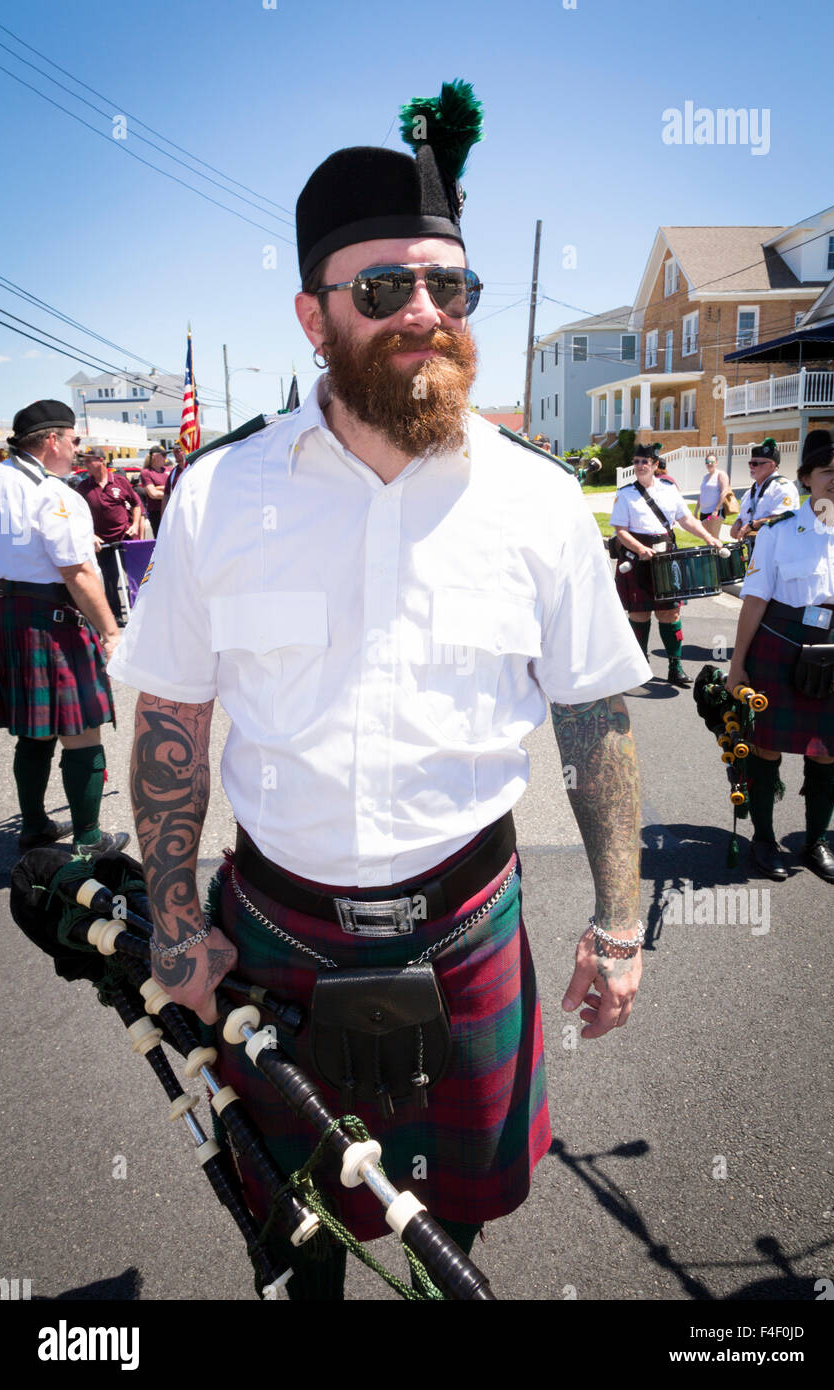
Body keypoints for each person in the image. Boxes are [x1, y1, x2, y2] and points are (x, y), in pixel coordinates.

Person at [108, 80, 652, 1300]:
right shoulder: (217, 495)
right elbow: (175, 721)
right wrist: (176, 916)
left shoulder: (534, 499)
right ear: (313, 313)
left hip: (467, 923)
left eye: (444, 287)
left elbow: (593, 714)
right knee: (293, 1231)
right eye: (382, 289)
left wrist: (619, 922)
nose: (422, 311)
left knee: (453, 1236)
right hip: (273, 929)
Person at [0, 400, 129, 856]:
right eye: (73, 440)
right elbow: (79, 572)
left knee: (33, 729)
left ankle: (33, 826)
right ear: (52, 440)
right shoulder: (54, 493)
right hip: (46, 621)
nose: (76, 448)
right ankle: (89, 839)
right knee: (82, 729)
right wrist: (111, 631)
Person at [726, 419, 834, 883]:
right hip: (779, 646)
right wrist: (737, 664)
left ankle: (816, 841)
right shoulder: (777, 531)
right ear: (806, 478)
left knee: (827, 752)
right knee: (766, 749)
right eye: (829, 472)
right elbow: (755, 599)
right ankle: (763, 837)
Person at [610, 445, 724, 687]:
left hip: (666, 557)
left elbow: (686, 519)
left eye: (644, 461)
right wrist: (639, 548)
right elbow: (620, 530)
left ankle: (676, 666)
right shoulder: (626, 493)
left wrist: (708, 537)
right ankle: (640, 665)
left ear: (654, 464)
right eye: (636, 460)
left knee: (670, 613)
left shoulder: (669, 490)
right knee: (639, 613)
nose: (639, 465)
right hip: (637, 557)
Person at [77, 448, 142, 625]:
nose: (86, 464)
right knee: (110, 579)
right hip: (103, 543)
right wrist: (91, 535)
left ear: (101, 461)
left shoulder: (120, 482)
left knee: (136, 577)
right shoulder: (83, 487)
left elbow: (136, 504)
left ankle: (142, 609)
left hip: (125, 538)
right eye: (84, 461)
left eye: (89, 460)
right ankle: (116, 615)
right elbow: (75, 515)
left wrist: (135, 525)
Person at [730, 437, 799, 543]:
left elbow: (783, 516)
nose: (751, 467)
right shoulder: (750, 492)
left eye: (755, 464)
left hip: (777, 547)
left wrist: (753, 525)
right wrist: (738, 522)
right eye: (750, 463)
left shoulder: (782, 487)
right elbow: (745, 515)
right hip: (754, 549)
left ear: (771, 465)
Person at [138, 445, 170, 537]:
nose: (165, 458)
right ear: (155, 456)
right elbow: (153, 494)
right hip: (156, 512)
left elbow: (174, 486)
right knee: (161, 538)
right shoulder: (146, 472)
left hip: (170, 508)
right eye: (163, 455)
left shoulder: (168, 470)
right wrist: (169, 493)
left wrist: (159, 487)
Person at [698, 453, 730, 540]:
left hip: (714, 512)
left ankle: (720, 553)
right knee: (707, 538)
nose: (710, 463)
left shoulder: (721, 474)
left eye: (712, 461)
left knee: (714, 537)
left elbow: (724, 491)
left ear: (716, 463)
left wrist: (716, 509)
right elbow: (702, 493)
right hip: (704, 513)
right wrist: (696, 510)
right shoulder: (705, 476)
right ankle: (713, 553)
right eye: (707, 461)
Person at [160, 443, 188, 515]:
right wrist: (163, 517)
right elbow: (166, 495)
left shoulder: (193, 468)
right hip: (177, 513)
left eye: (177, 451)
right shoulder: (173, 472)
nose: (174, 454)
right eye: (173, 451)